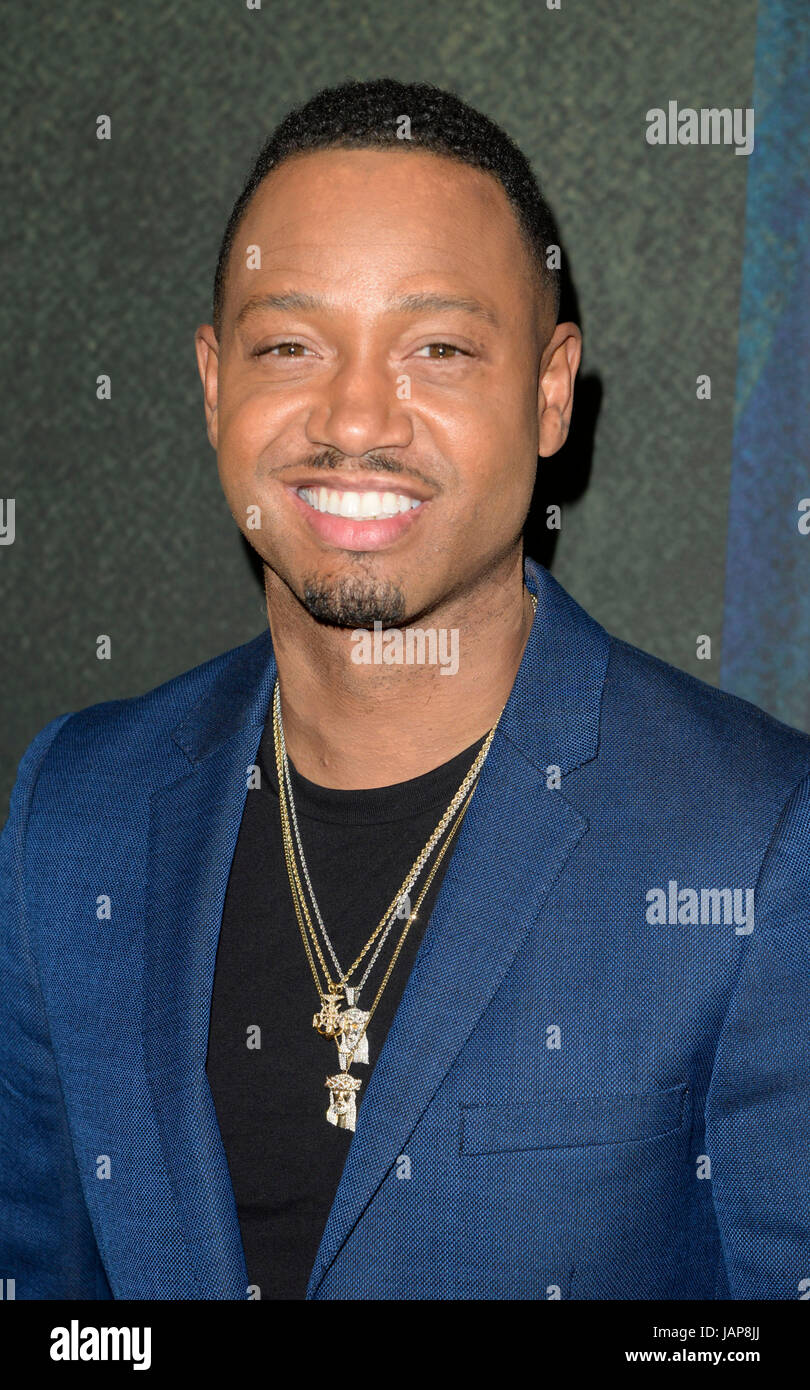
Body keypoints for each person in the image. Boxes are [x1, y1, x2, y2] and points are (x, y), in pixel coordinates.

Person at [2, 78, 809, 1302]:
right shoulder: (72, 808)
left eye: (435, 347)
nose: (356, 416)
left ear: (548, 392)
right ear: (215, 384)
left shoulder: (756, 841)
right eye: (291, 345)